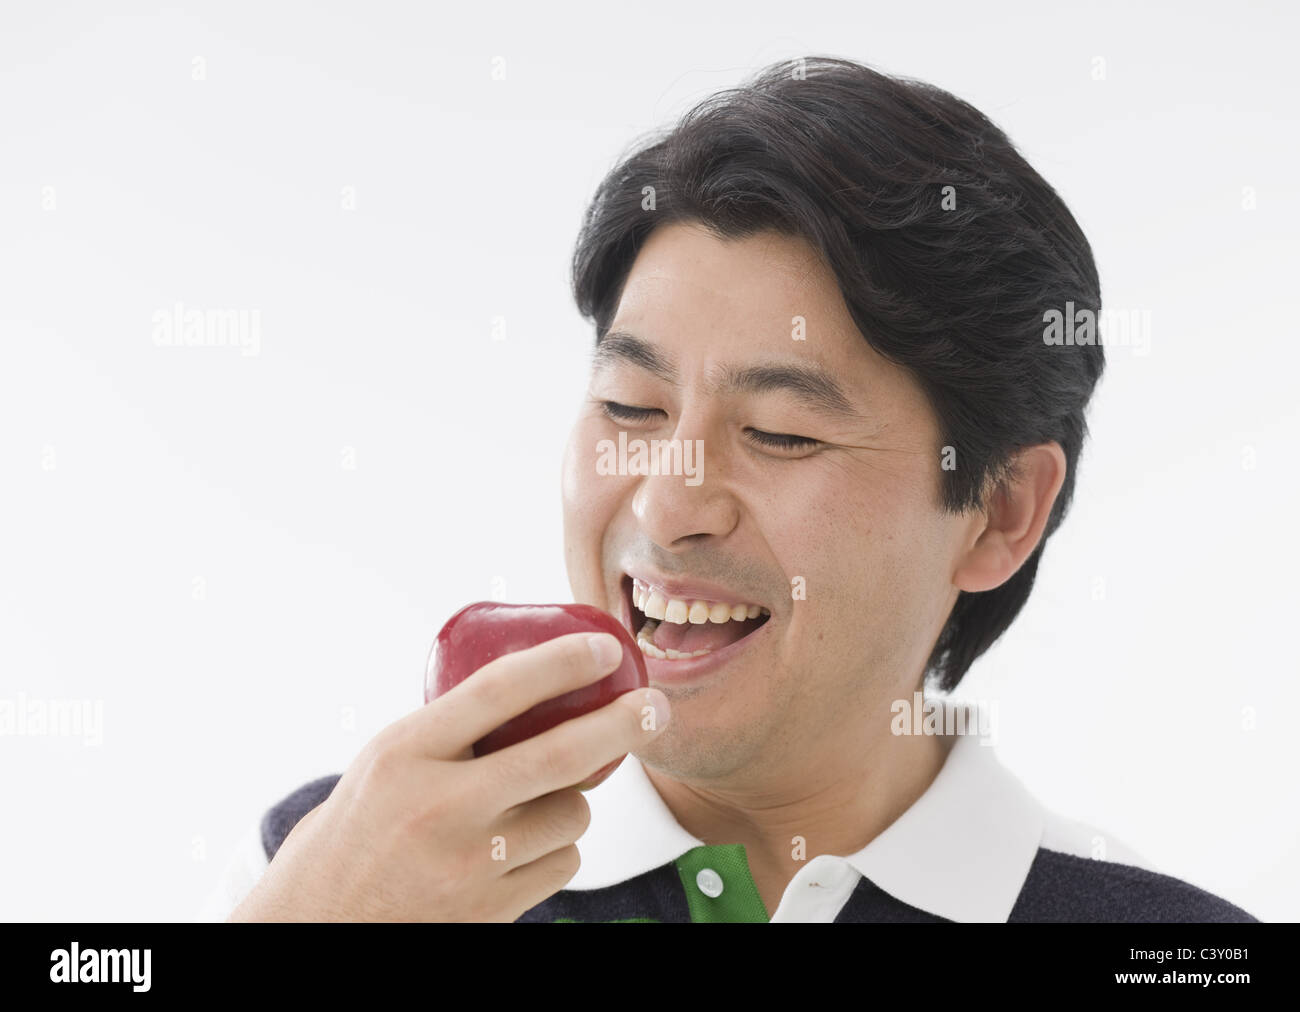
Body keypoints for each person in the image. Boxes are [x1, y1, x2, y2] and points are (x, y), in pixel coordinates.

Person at [200, 56, 1256, 923]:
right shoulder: (346, 877)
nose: (666, 505)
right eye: (629, 408)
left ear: (999, 509)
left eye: (781, 432)